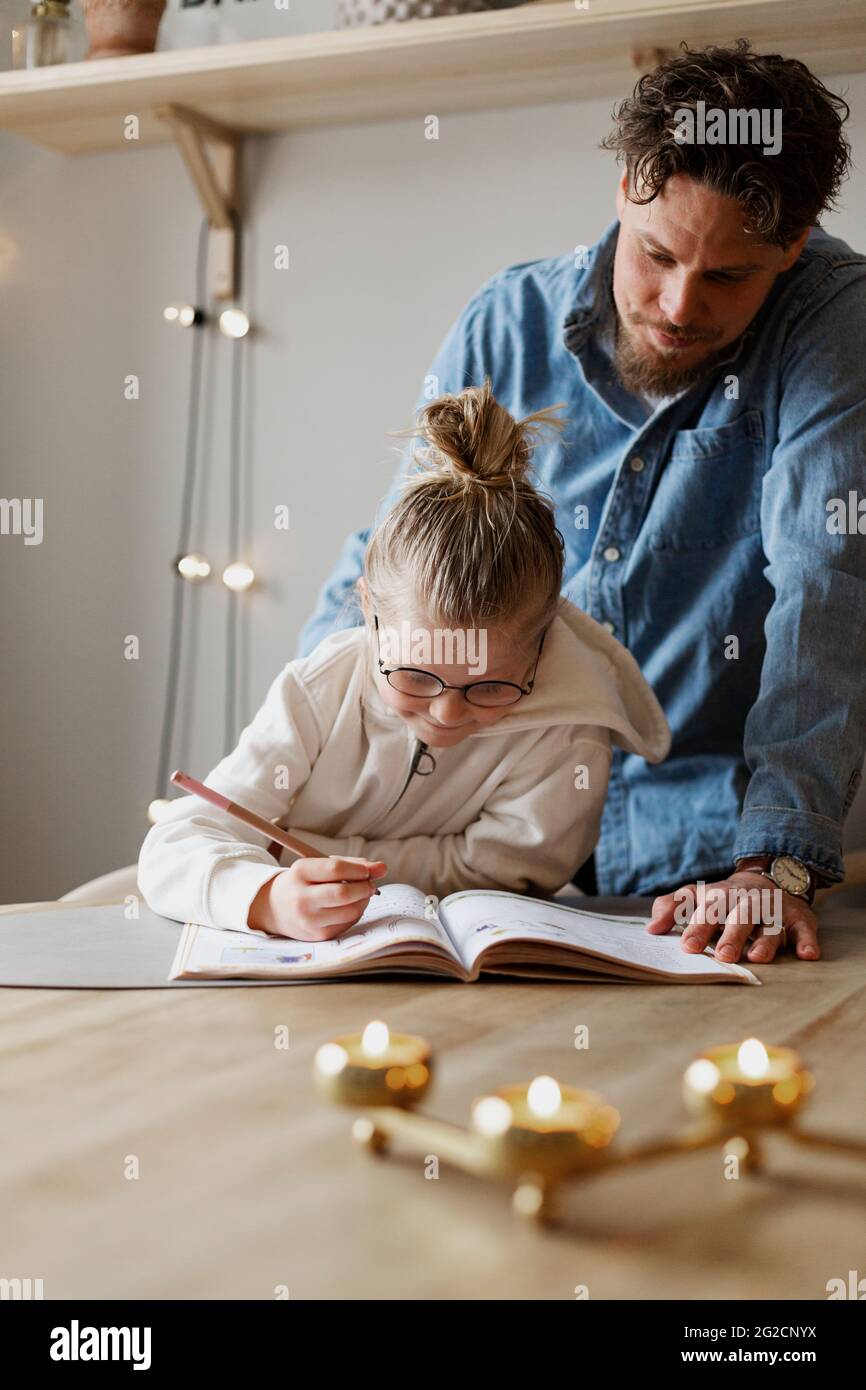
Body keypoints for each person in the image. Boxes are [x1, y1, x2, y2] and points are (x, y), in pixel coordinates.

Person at [296, 39, 866, 967]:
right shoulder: (507, 319)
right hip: (468, 814)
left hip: (703, 863)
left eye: (730, 277)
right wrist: (293, 764)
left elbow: (828, 581)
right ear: (628, 185)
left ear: (794, 246)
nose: (681, 305)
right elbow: (399, 562)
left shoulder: (836, 322)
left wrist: (778, 862)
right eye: (658, 254)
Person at [138, 384, 670, 940]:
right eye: (416, 676)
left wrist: (297, 850)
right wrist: (265, 897)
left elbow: (507, 874)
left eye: (489, 687)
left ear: (543, 645)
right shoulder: (322, 688)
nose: (445, 714)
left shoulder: (571, 732)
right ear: (370, 613)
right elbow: (176, 844)